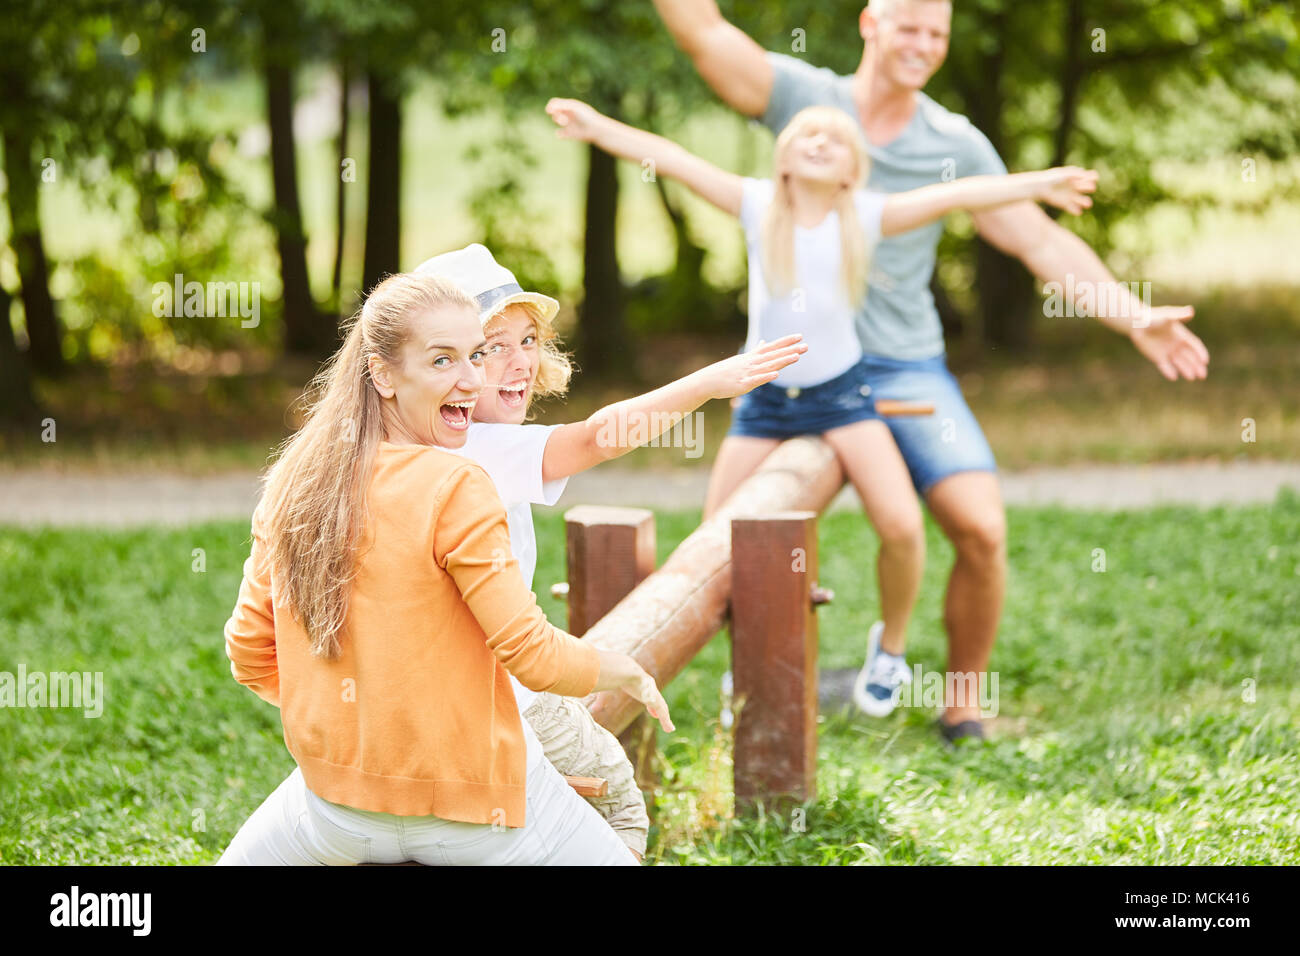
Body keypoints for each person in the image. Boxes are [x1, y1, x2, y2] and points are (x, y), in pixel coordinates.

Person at [650, 0, 1209, 742]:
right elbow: (705, 32)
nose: (924, 44)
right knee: (748, 540)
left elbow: (1040, 244)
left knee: (980, 528)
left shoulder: (953, 142)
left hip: (906, 369)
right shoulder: (803, 99)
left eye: (938, 33)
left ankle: (963, 703)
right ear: (870, 23)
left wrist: (1130, 314)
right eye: (909, 26)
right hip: (801, 372)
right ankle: (761, 692)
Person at [544, 94, 1097, 725]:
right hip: (765, 402)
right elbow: (671, 159)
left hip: (843, 400)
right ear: (784, 154)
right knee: (715, 540)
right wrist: (596, 127)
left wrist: (1044, 181)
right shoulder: (758, 206)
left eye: (834, 139)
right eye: (807, 132)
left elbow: (960, 195)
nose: (818, 141)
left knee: (902, 526)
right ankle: (742, 666)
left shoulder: (861, 214)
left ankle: (888, 650)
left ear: (851, 169)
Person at [217, 272, 673, 865]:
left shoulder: (294, 478)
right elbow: (531, 655)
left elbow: (250, 653)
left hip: (334, 810)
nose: (471, 379)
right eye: (442, 360)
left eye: (475, 355)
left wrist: (360, 724)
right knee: (620, 819)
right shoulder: (457, 483)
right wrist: (625, 671)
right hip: (478, 815)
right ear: (381, 373)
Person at [412, 242, 807, 857]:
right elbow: (598, 437)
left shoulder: (419, 439)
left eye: (528, 340)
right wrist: (708, 383)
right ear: (443, 364)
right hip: (481, 700)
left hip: (446, 692)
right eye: (490, 348)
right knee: (617, 810)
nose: (517, 364)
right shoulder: (470, 449)